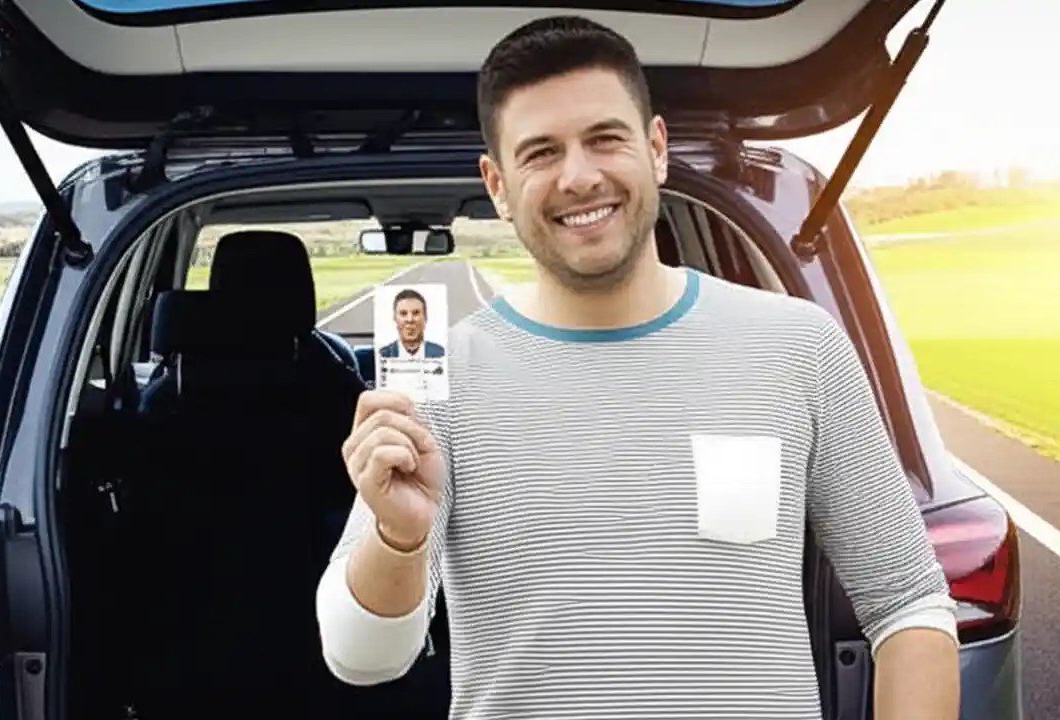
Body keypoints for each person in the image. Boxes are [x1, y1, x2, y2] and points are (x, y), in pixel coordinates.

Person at [317, 15, 960, 720]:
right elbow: (363, 658)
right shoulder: (437, 375)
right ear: (497, 185)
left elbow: (908, 601)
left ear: (655, 147)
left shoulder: (799, 344)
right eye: (540, 153)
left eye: (605, 138)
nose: (579, 176)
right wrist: (397, 537)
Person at [378, 288, 446, 360]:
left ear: (425, 317)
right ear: (395, 318)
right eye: (403, 313)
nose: (410, 319)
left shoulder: (441, 355)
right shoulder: (382, 356)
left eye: (416, 313)